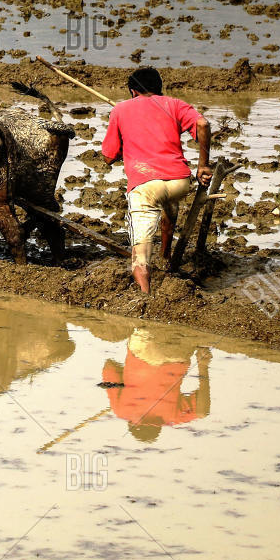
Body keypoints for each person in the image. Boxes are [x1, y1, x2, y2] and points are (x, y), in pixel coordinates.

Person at [100, 66, 212, 294]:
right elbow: (203, 124)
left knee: (140, 255)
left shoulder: (120, 110)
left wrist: (124, 143)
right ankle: (166, 255)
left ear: (132, 91)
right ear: (159, 89)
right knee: (169, 202)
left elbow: (108, 157)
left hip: (146, 186)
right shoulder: (175, 104)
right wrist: (203, 165)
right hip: (179, 182)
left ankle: (145, 296)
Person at [103, 333, 211, 442]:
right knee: (141, 331)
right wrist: (125, 377)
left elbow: (202, 413)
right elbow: (109, 366)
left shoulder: (173, 417)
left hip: (177, 355)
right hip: (144, 348)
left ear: (159, 426)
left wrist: (203, 365)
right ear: (131, 423)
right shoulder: (120, 411)